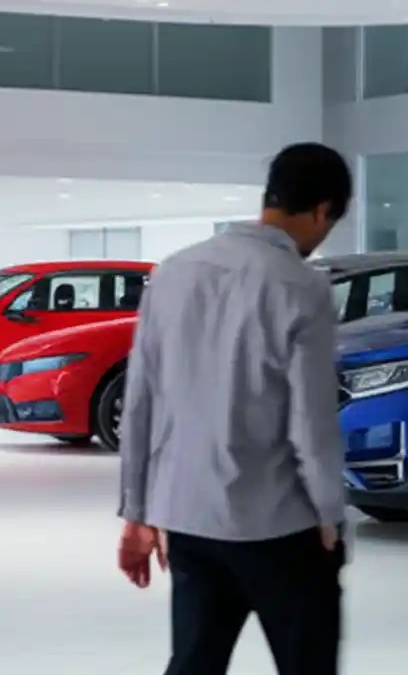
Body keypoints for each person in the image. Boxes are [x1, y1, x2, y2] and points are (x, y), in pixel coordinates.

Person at [116, 142, 353, 675]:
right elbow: (311, 421)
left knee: (195, 664)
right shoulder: (302, 286)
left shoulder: (174, 272)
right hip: (279, 524)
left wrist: (136, 514)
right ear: (321, 210)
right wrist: (331, 517)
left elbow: (141, 401)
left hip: (189, 517)